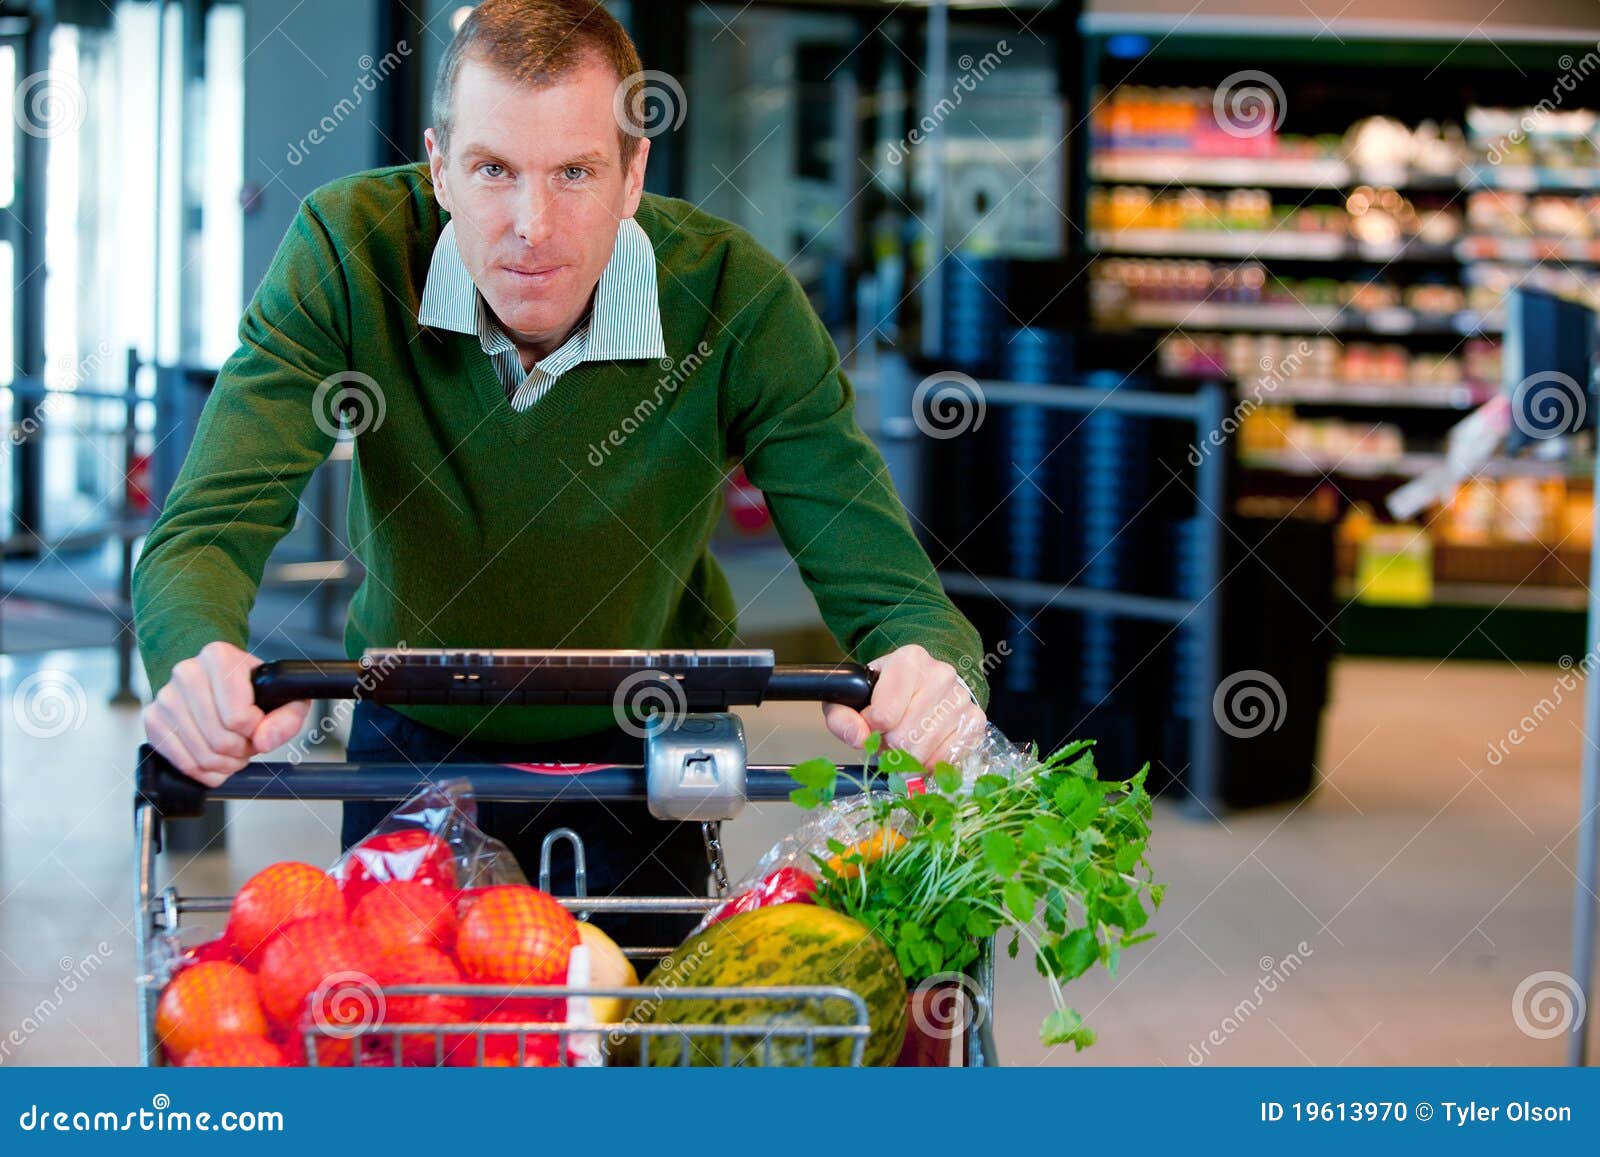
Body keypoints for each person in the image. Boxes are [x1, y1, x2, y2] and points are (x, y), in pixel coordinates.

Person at [132, 0, 989, 935]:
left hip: (654, 746)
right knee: (410, 1059)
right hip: (408, 735)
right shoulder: (348, 251)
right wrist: (198, 662)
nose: (531, 225)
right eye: (493, 169)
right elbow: (204, 534)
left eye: (575, 172)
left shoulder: (737, 303)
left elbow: (894, 595)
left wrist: (929, 671)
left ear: (634, 175)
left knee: (633, 1062)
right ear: (437, 168)